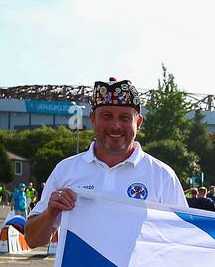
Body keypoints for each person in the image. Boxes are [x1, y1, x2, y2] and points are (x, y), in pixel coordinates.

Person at [26, 77, 186, 249]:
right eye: (107, 116)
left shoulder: (162, 176)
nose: (115, 125)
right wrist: (51, 213)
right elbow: (33, 240)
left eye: (125, 118)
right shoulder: (66, 170)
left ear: (138, 122)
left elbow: (184, 241)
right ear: (93, 118)